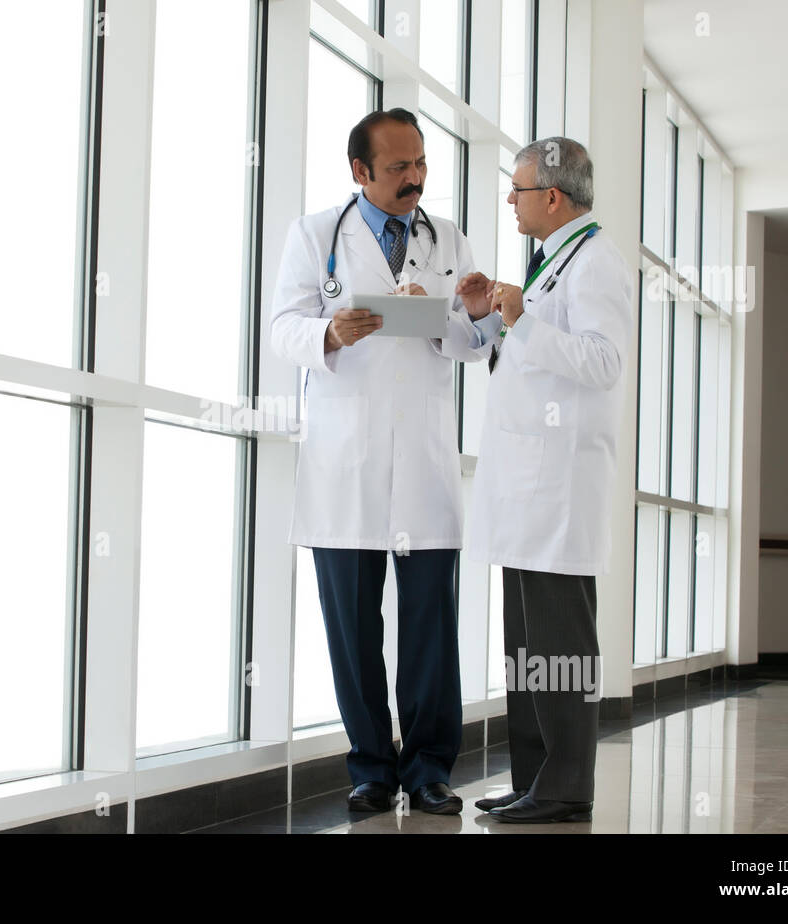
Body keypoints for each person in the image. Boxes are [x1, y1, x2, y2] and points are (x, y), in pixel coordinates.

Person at [268, 108, 501, 815]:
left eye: (421, 163)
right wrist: (330, 332)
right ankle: (371, 768)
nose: (415, 178)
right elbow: (282, 329)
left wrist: (470, 313)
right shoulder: (315, 235)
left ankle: (429, 770)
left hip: (424, 463)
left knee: (430, 626)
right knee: (353, 630)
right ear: (360, 171)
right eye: (399, 167)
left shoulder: (448, 239)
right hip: (346, 465)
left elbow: (472, 344)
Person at [466, 137, 634, 823]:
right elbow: (532, 356)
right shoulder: (551, 264)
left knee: (560, 645)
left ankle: (566, 786)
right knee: (527, 644)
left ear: (554, 197)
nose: (511, 199)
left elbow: (603, 362)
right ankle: (534, 778)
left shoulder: (596, 263)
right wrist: (498, 316)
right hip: (526, 487)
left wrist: (522, 320)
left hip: (559, 487)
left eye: (519, 189)